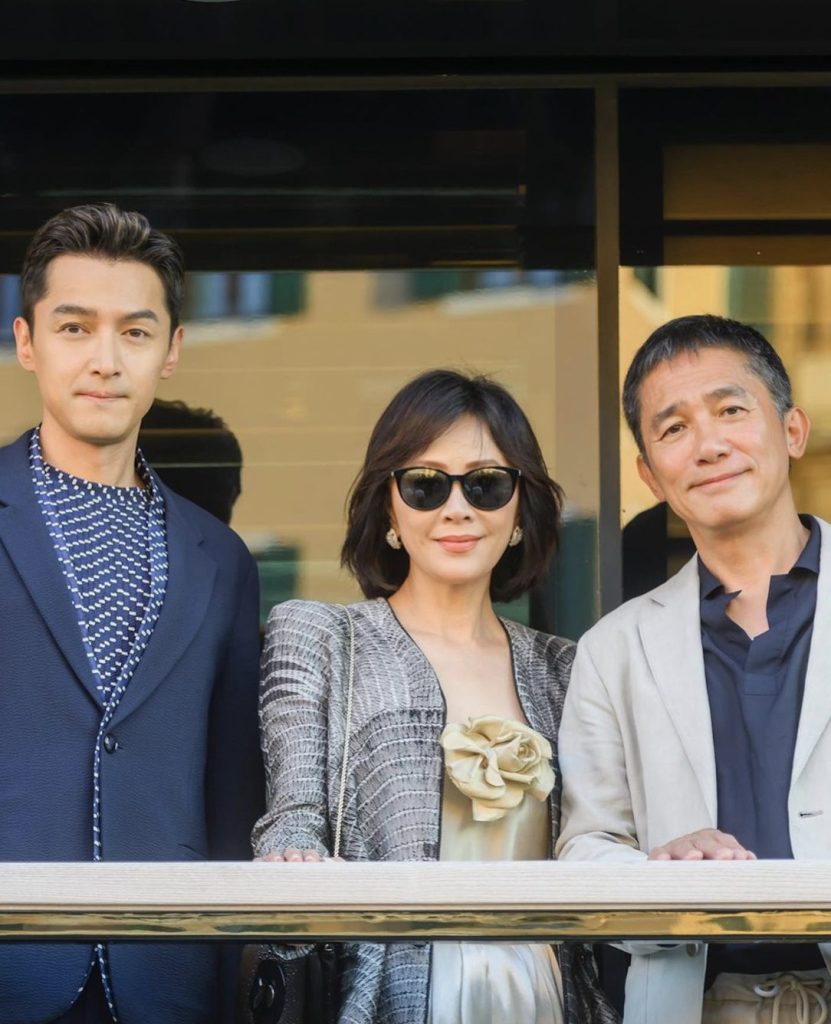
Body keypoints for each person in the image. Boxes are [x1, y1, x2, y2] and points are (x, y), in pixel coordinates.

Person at [253, 369, 618, 1024]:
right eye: (425, 485)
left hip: (542, 995)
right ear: (388, 510)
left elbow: (606, 843)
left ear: (519, 512)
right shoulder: (320, 638)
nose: (457, 509)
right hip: (383, 994)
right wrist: (292, 865)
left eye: (486, 485)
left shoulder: (565, 669)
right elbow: (293, 816)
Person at [0, 203, 263, 1024]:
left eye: (135, 332)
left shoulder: (221, 560)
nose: (105, 360)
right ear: (26, 342)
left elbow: (229, 799)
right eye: (74, 328)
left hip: (167, 978)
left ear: (171, 350)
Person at [557, 314, 831, 1024]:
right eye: (674, 428)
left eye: (730, 410)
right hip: (696, 1003)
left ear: (792, 430)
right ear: (650, 475)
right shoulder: (613, 650)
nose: (708, 446)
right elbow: (585, 849)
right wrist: (660, 868)